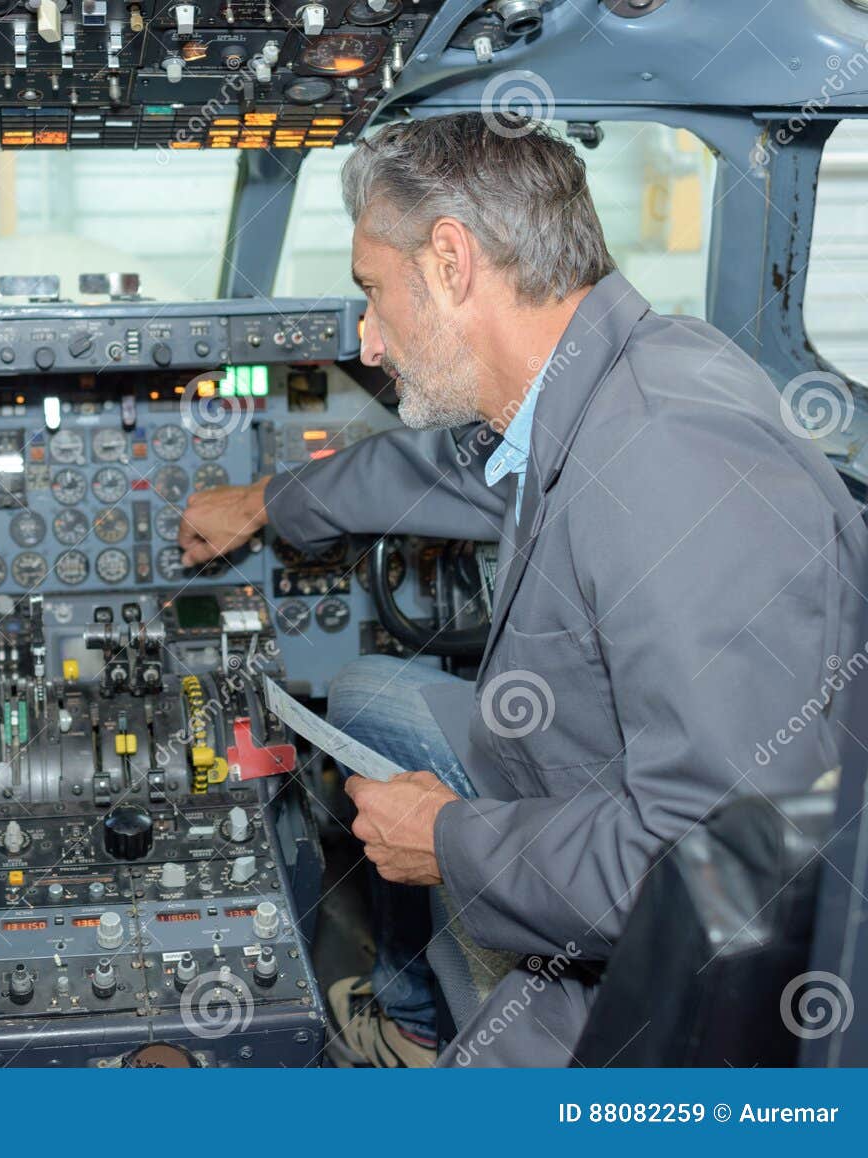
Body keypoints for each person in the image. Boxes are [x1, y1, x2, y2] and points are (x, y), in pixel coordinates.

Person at [180, 113, 867, 1066]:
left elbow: (718, 878)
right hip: (584, 794)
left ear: (452, 261)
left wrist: (454, 844)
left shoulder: (672, 462)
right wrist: (268, 499)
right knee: (375, 698)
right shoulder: (617, 373)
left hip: (687, 996)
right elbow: (447, 472)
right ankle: (415, 1010)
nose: (370, 343)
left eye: (374, 294)